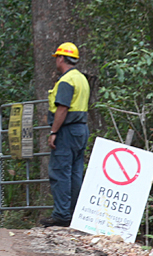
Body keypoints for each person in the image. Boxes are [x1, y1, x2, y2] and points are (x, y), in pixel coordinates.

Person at [40, 42, 90, 228]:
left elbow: (62, 108)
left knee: (60, 172)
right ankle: (74, 213)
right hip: (81, 129)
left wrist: (54, 131)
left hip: (67, 130)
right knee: (75, 173)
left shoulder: (66, 80)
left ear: (61, 58)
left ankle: (61, 215)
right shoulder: (81, 78)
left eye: (57, 57)